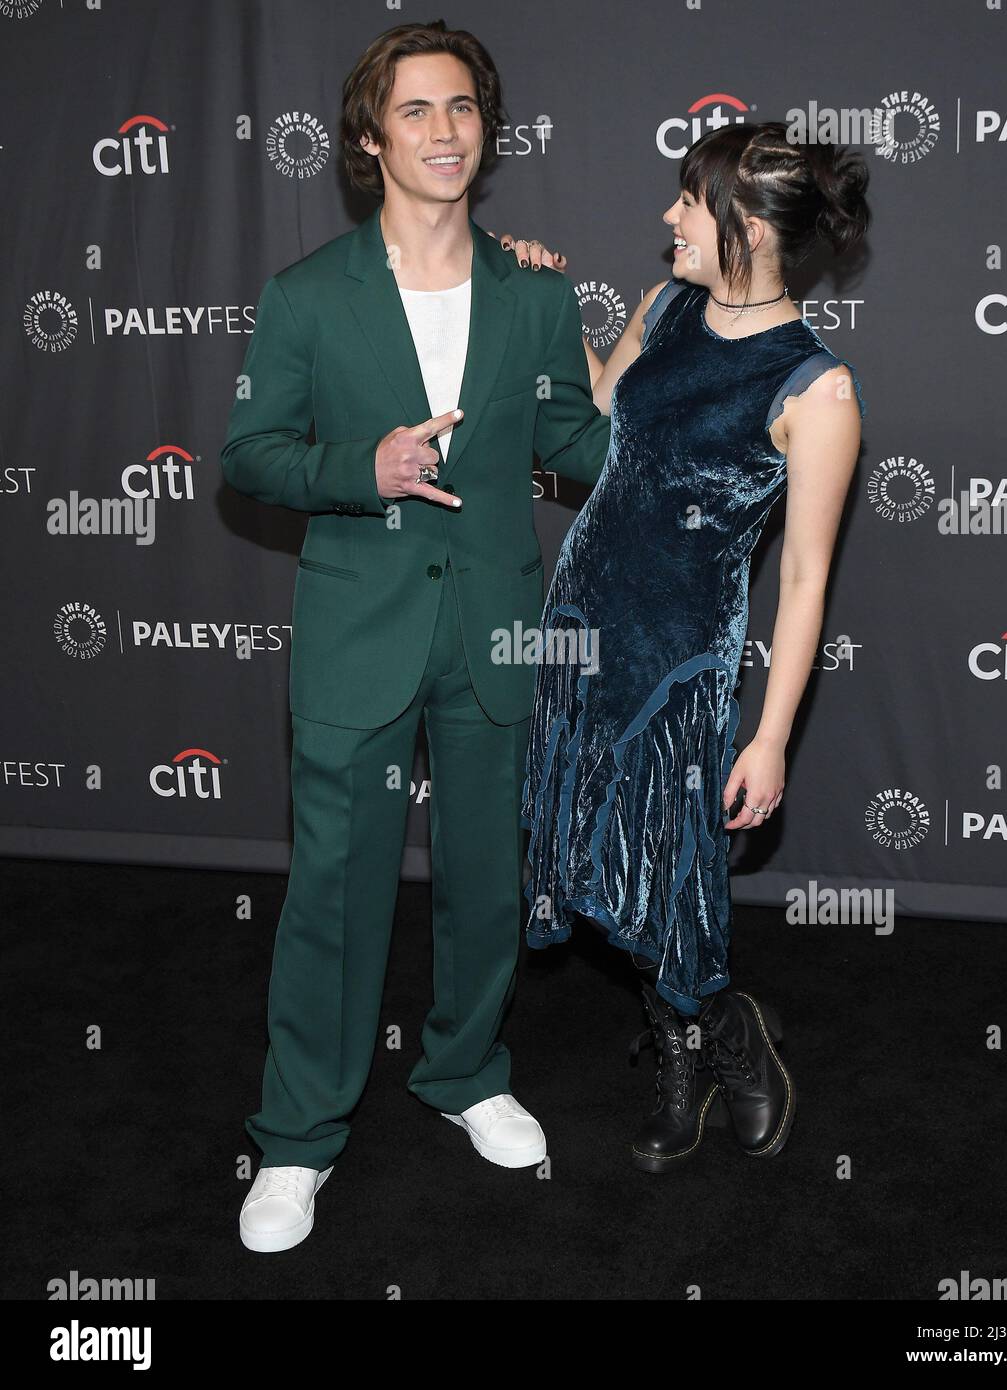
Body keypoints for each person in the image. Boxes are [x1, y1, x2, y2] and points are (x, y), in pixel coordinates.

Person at [221, 19, 611, 1251]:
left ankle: (466, 1073)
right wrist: (364, 465)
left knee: (486, 878)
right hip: (356, 628)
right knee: (331, 892)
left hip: (496, 627)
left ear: (485, 132)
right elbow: (249, 455)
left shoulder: (538, 291)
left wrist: (642, 382)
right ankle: (295, 1137)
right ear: (367, 139)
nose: (444, 131)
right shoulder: (304, 298)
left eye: (461, 110)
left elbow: (575, 450)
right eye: (415, 112)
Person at [516, 122, 869, 1172]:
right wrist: (546, 297)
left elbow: (804, 579)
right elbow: (597, 404)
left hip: (680, 660)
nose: (668, 217)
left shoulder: (816, 390)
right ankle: (695, 1031)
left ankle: (713, 1035)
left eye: (688, 200)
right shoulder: (664, 306)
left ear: (748, 226)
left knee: (667, 873)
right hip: (580, 624)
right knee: (590, 855)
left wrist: (768, 740)